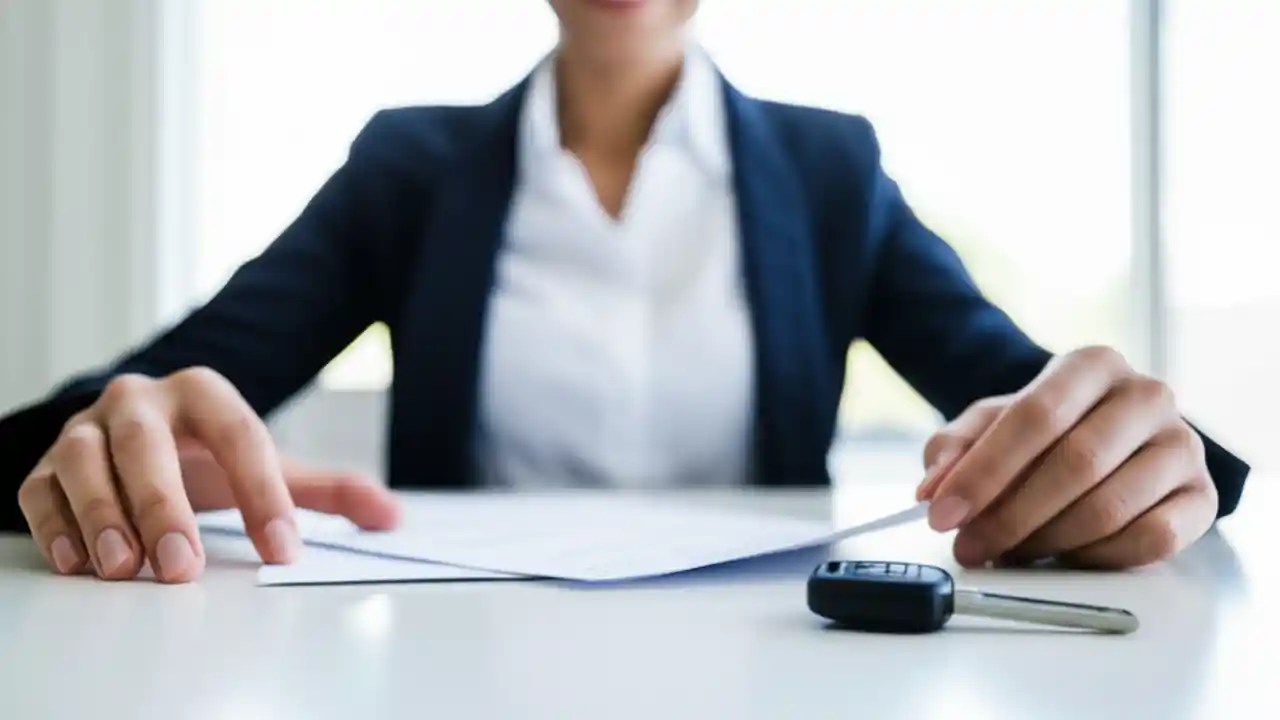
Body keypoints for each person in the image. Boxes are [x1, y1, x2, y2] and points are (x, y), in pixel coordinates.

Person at [0, 0, 1248, 584]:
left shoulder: (826, 171)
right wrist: (111, 437)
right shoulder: (409, 170)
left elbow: (1039, 402)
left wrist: (1136, 452)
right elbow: (115, 406)